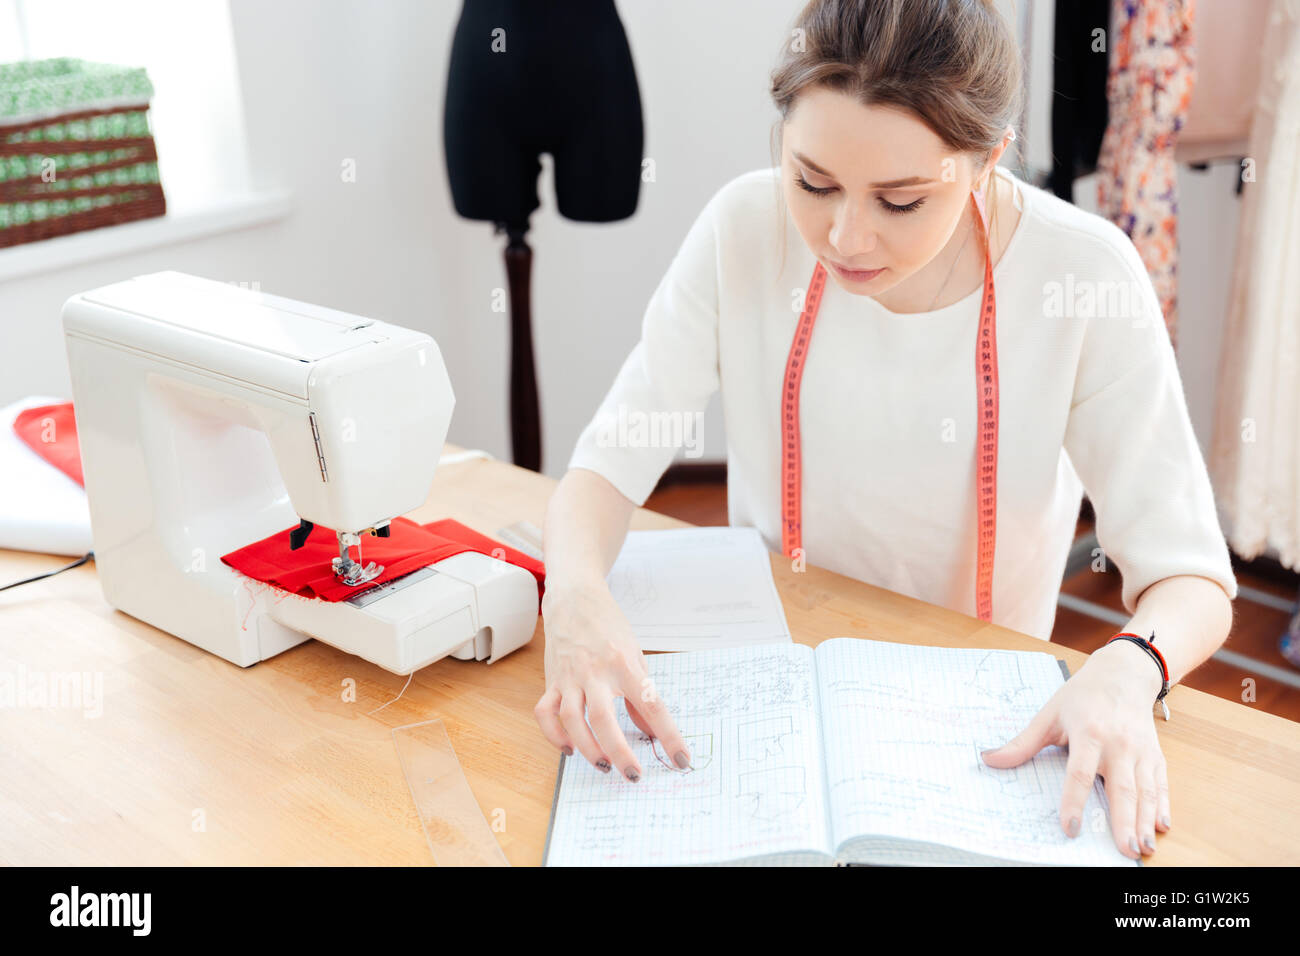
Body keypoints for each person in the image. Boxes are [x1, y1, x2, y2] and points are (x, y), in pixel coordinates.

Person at [534, 0, 1237, 862]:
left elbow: (1191, 578)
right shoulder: (743, 228)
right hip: (770, 696)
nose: (845, 236)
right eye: (813, 182)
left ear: (989, 162)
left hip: (975, 721)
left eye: (901, 200)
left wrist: (1129, 667)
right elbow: (606, 468)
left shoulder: (1082, 275)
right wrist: (574, 595)